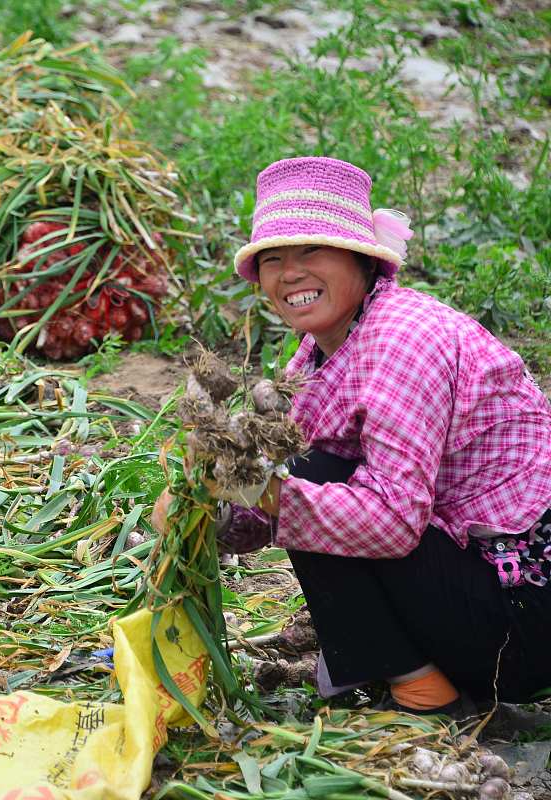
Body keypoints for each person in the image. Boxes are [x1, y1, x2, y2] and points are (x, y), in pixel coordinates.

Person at [155, 156, 551, 715]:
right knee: (307, 470)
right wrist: (212, 511)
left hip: (521, 619)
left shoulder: (401, 339)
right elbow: (282, 492)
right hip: (472, 586)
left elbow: (393, 521)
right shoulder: (320, 352)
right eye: (273, 259)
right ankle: (408, 671)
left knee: (309, 477)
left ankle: (424, 692)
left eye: (311, 252)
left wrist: (266, 491)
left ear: (362, 259)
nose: (290, 273)